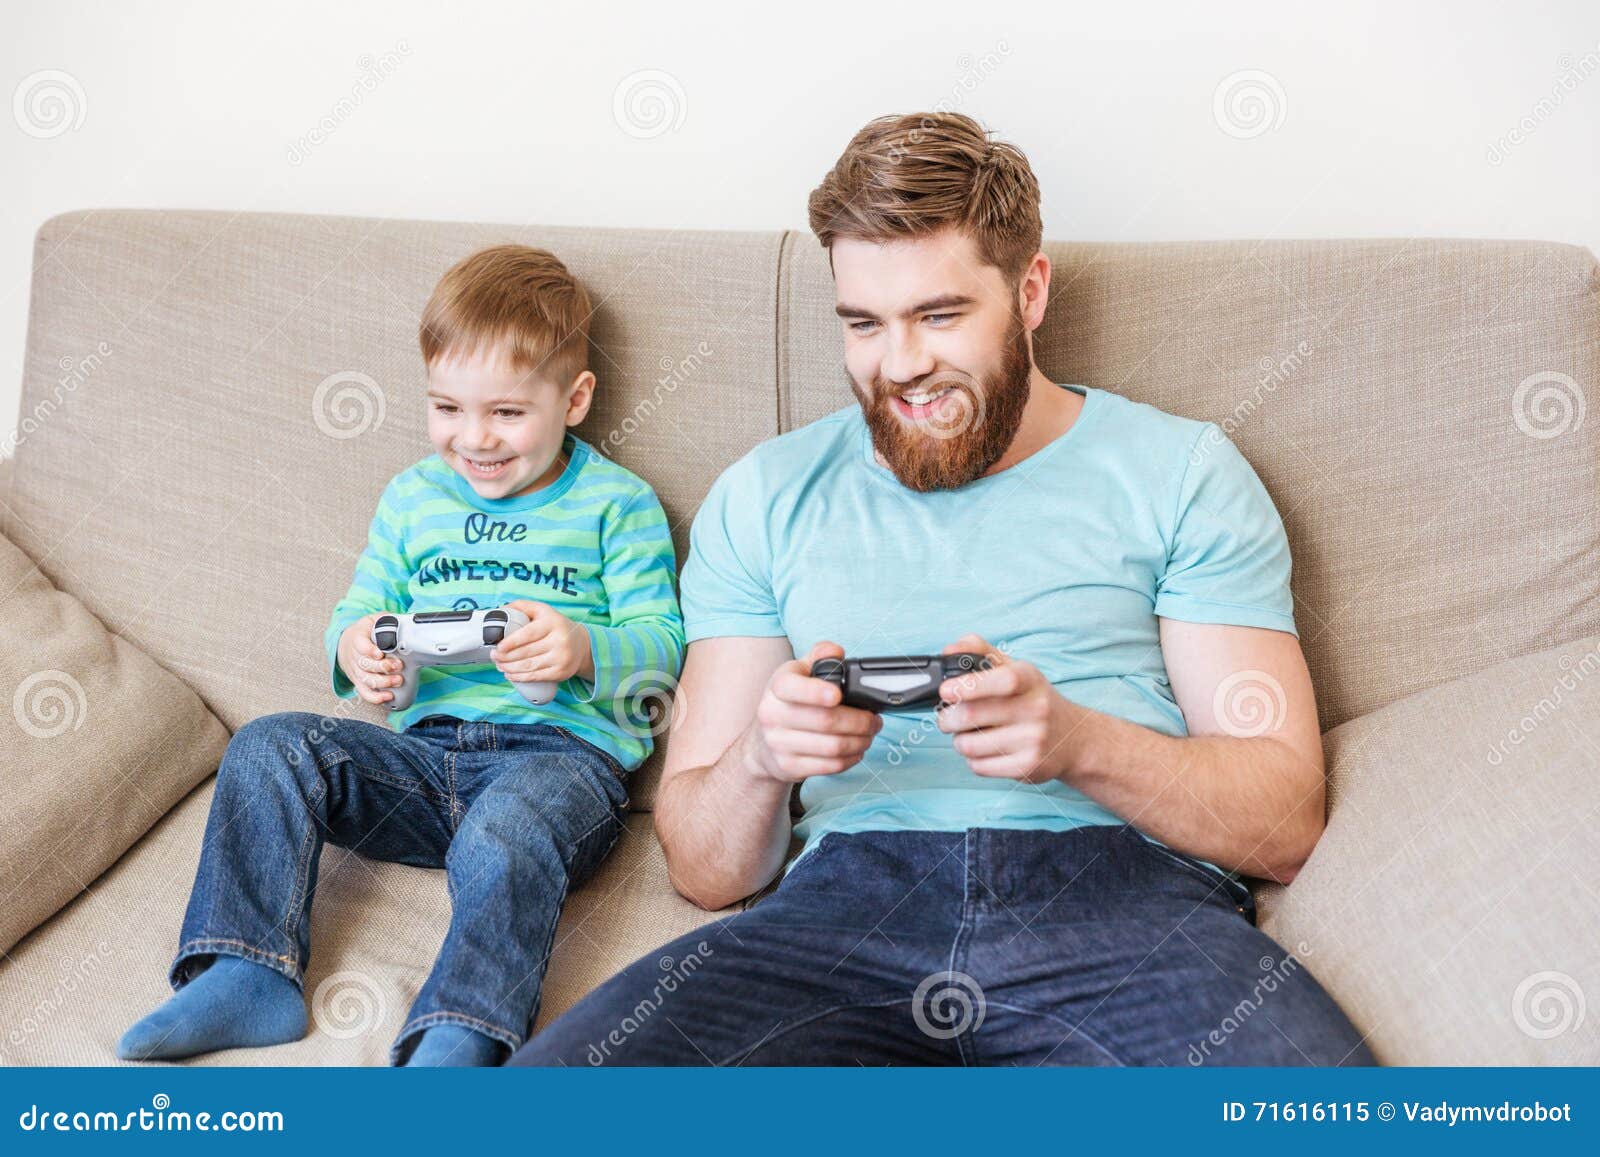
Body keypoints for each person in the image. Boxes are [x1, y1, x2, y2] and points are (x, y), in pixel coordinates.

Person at [509, 113, 1373, 1067]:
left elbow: (1285, 828)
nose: (902, 364)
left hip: (1125, 900)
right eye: (865, 324)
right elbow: (706, 872)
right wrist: (763, 758)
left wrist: (1076, 742)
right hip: (839, 916)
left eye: (939, 314)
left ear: (1030, 290)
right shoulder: (762, 495)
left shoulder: (1182, 473)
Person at [119, 245, 684, 1066]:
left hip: (561, 768)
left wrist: (582, 647)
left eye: (506, 413)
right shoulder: (414, 498)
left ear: (576, 398)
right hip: (420, 765)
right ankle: (247, 973)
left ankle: (460, 1029)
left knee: (505, 828)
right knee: (269, 742)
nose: (473, 438)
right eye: (447, 408)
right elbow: (359, 611)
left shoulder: (618, 506)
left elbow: (663, 651)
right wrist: (355, 649)